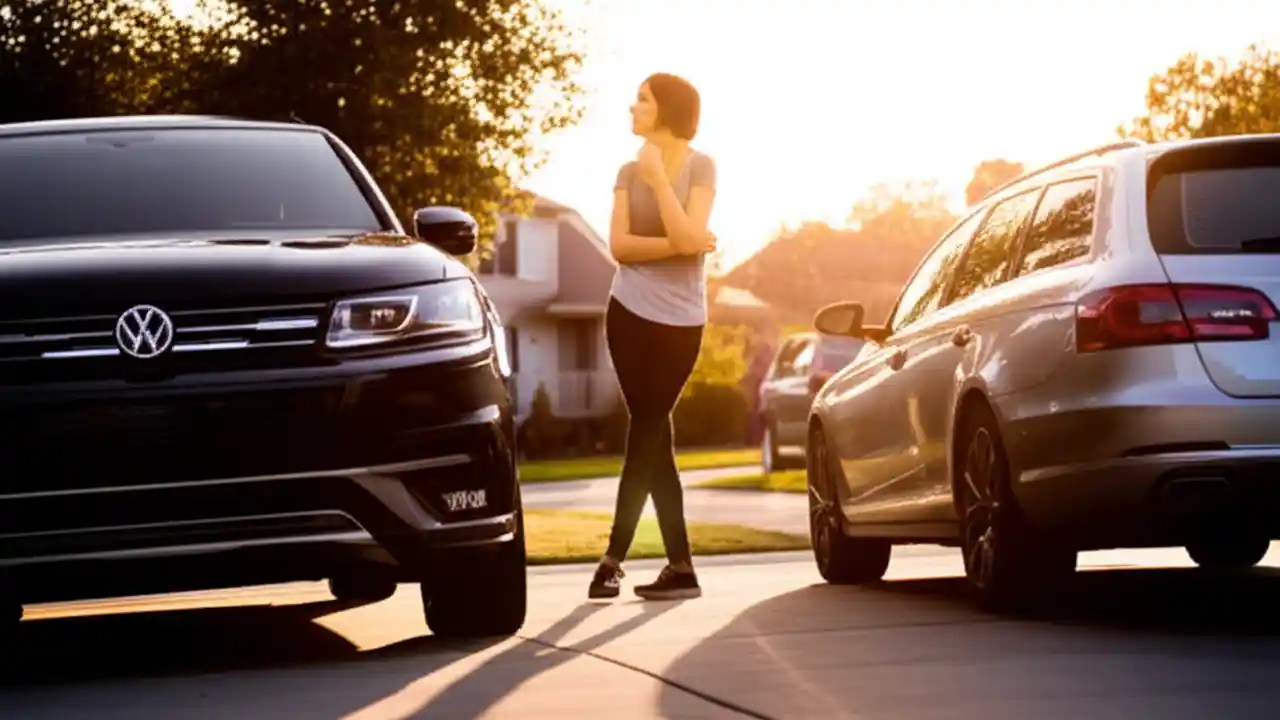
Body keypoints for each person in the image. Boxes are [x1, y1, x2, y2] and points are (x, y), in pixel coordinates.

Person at [588, 72, 718, 601]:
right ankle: (670, 566)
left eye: (641, 100)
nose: (632, 107)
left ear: (665, 108)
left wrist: (661, 183)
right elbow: (620, 247)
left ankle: (619, 556)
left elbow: (691, 235)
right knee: (650, 431)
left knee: (649, 431)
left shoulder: (701, 165)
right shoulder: (625, 171)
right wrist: (685, 242)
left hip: (683, 321)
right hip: (628, 313)